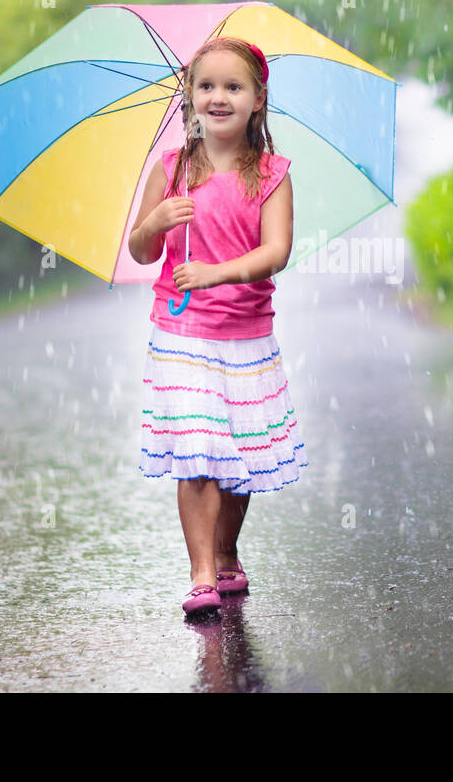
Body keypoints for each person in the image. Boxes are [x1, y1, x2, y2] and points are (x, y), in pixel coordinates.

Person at [126, 37, 309, 616]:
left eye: (234, 87)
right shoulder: (173, 169)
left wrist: (215, 274)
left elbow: (276, 252)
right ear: (191, 96)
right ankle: (201, 570)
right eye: (207, 86)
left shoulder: (271, 175)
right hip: (181, 335)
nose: (219, 97)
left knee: (243, 451)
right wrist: (154, 221)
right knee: (198, 449)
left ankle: (226, 550)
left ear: (258, 100)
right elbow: (138, 251)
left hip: (246, 333)